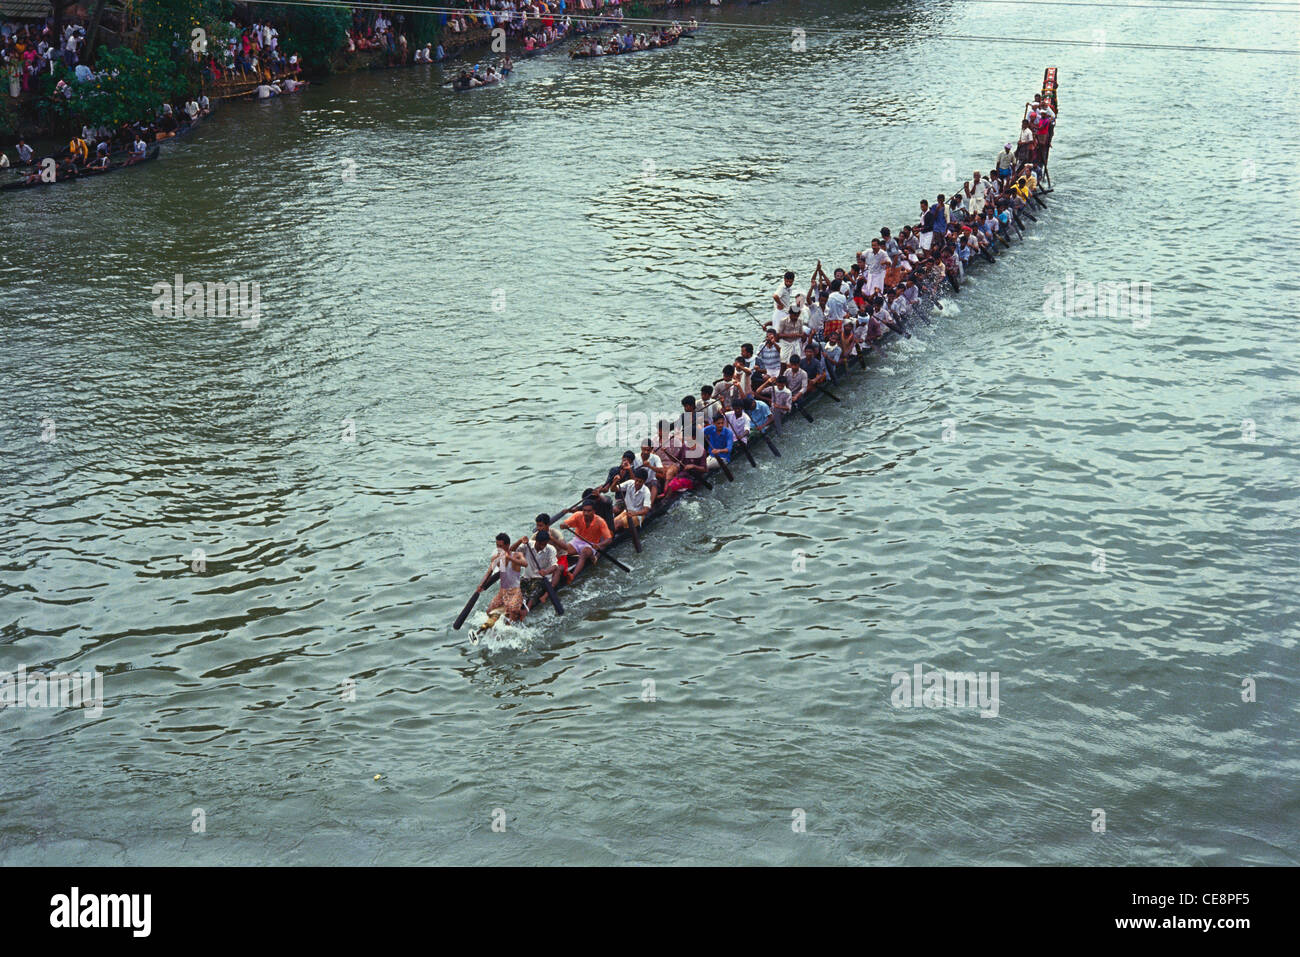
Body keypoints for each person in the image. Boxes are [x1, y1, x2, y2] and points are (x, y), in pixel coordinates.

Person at [561, 498, 613, 578]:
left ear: (594, 511)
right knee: (562, 550)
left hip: (591, 544)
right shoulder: (578, 515)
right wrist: (564, 525)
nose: (586, 513)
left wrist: (599, 545)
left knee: (584, 552)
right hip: (576, 541)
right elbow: (563, 525)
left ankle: (572, 576)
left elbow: (609, 540)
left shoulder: (600, 521)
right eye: (584, 510)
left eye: (589, 511)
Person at [484, 533, 527, 623]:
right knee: (488, 612)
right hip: (502, 592)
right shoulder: (497, 557)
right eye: (497, 545)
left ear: (507, 545)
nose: (498, 548)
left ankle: (518, 611)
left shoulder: (517, 555)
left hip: (515, 591)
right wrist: (481, 586)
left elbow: (525, 564)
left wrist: (510, 558)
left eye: (500, 546)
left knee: (512, 610)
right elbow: (489, 572)